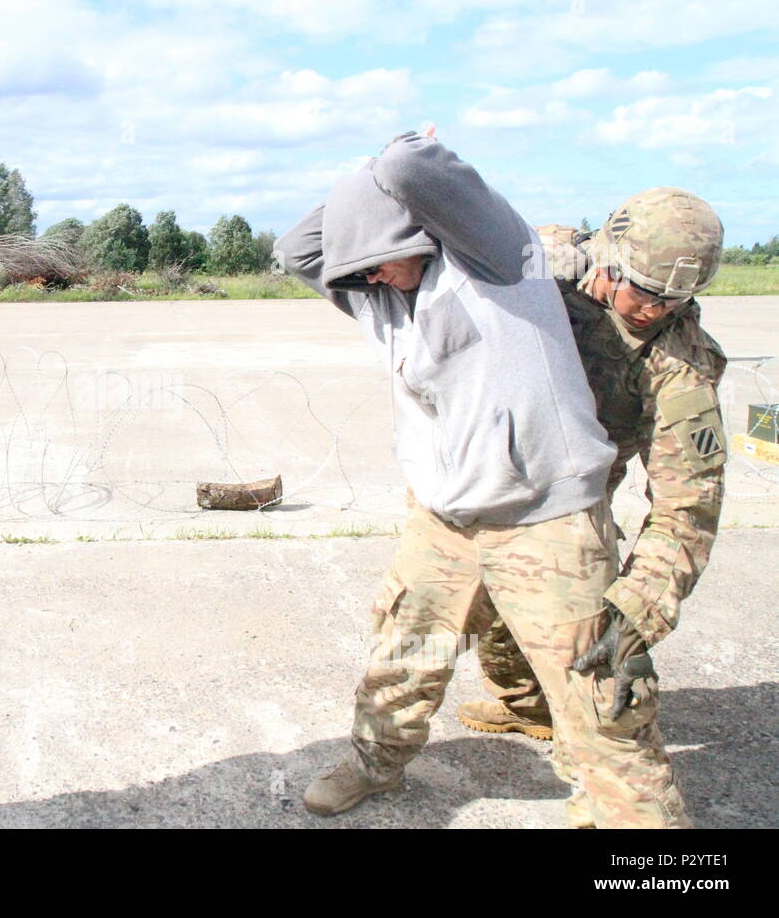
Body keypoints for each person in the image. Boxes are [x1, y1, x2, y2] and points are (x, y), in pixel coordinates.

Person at [274, 131, 692, 828]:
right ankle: (374, 763)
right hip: (444, 518)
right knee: (402, 655)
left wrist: (392, 161)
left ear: (420, 230)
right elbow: (297, 251)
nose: (369, 277)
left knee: (598, 694)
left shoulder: (499, 262)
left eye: (379, 259)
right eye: (361, 267)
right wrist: (364, 199)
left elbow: (412, 167)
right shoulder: (376, 292)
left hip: (547, 520)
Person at [456, 191, 727, 826]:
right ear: (605, 261)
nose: (653, 309)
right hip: (490, 475)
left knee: (600, 664)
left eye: (673, 299)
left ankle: (607, 798)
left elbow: (689, 506)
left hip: (579, 498)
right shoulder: (543, 265)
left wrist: (637, 612)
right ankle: (523, 702)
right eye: (642, 290)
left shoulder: (679, 363)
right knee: (468, 612)